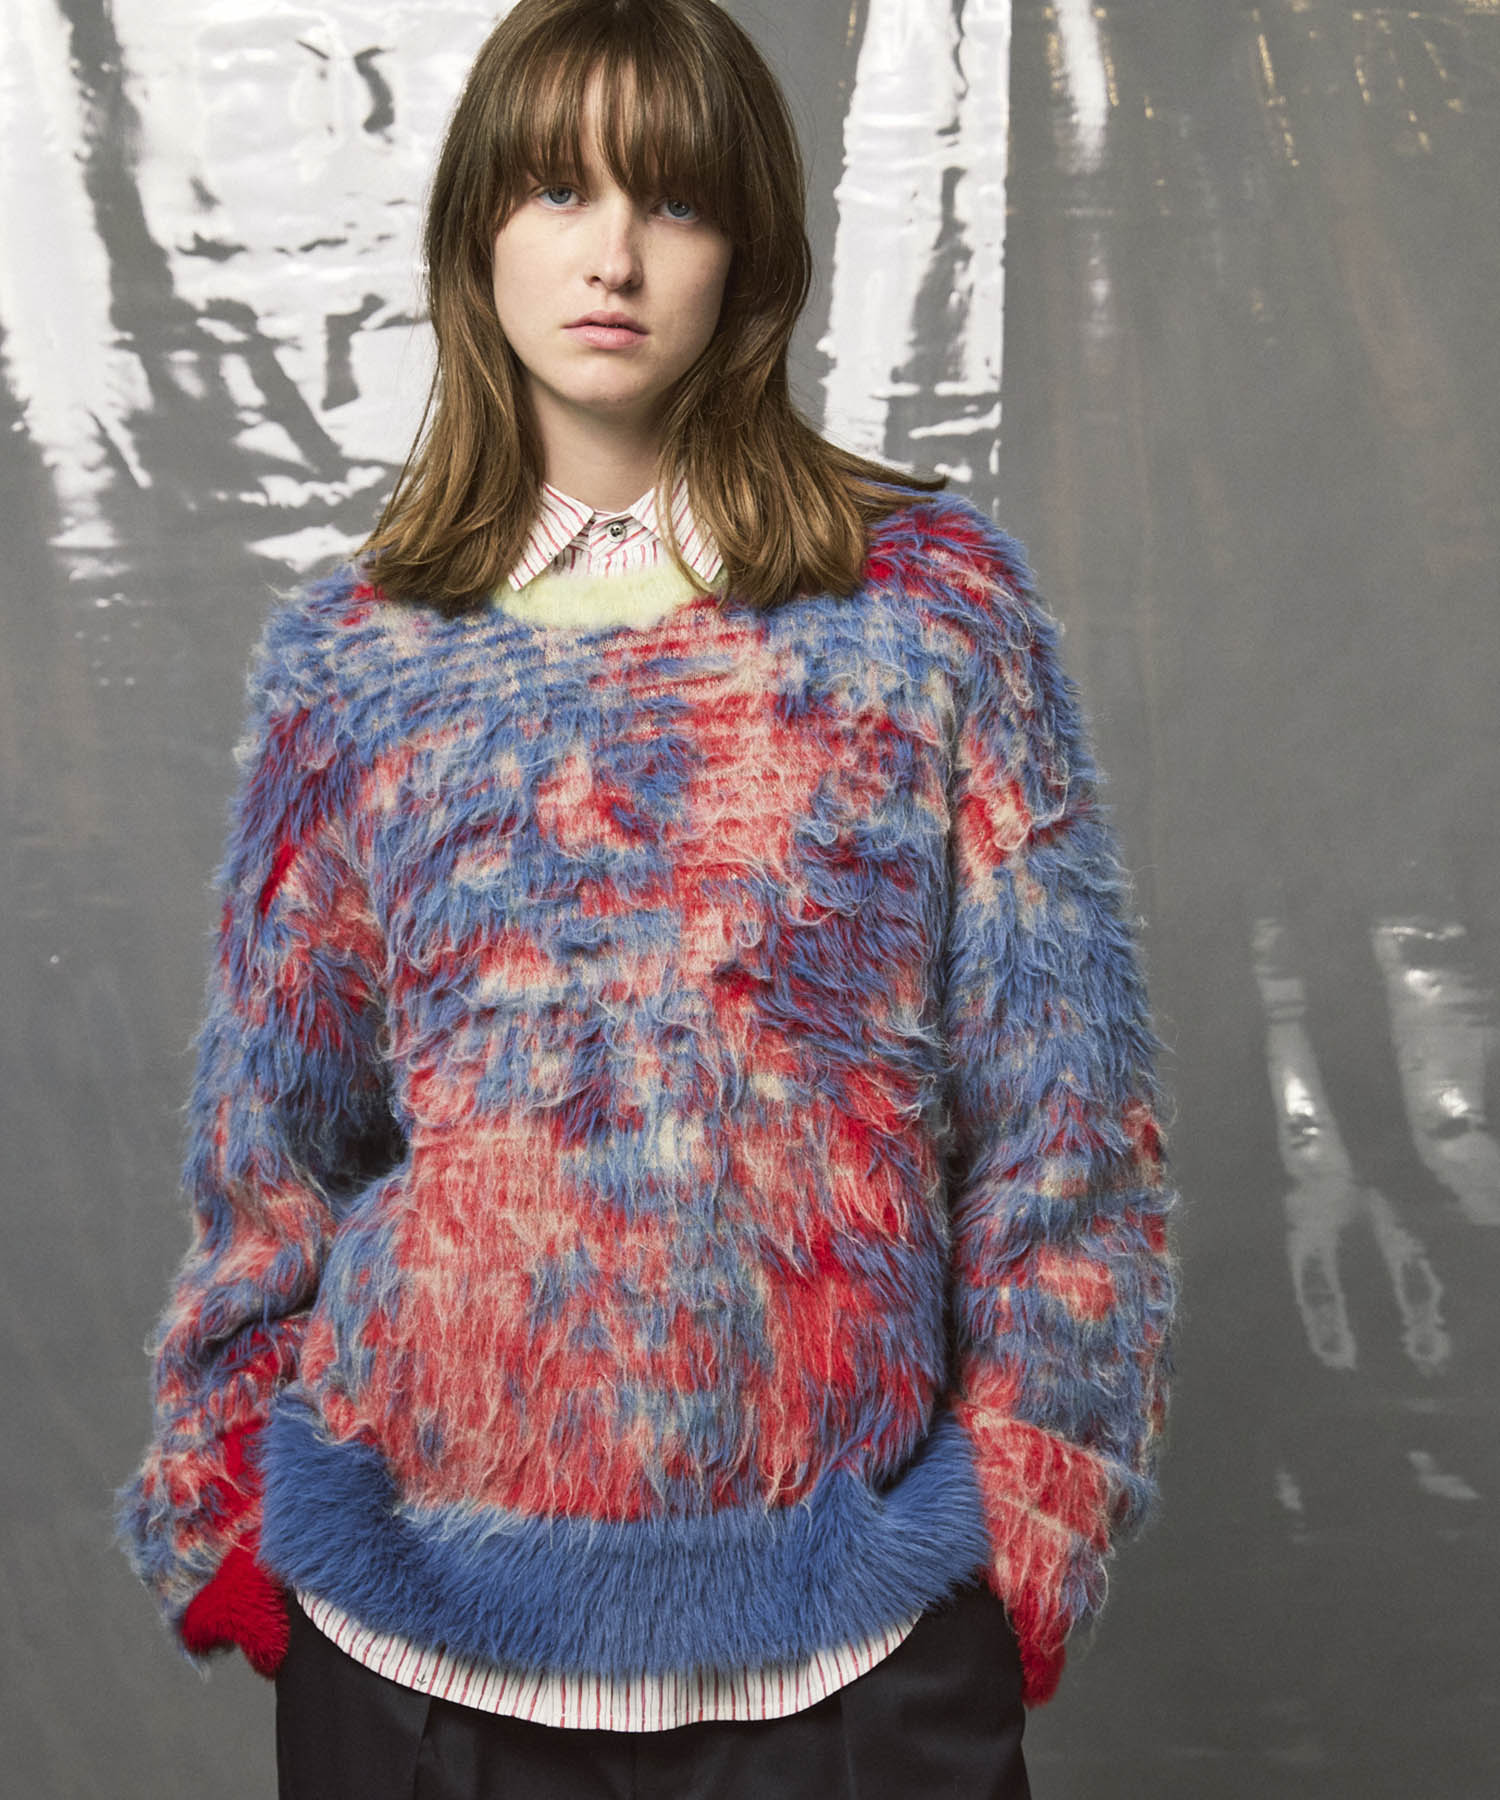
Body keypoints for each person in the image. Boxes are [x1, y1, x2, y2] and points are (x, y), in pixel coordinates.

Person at [115, 2, 1180, 1795]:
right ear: (477, 230)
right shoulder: (358, 655)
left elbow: (1068, 1124)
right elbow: (271, 1150)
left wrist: (1032, 1510)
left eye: (672, 200)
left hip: (850, 1645)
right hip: (412, 1651)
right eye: (556, 190)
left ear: (747, 249)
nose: (611, 255)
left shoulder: (929, 615)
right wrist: (226, 1499)